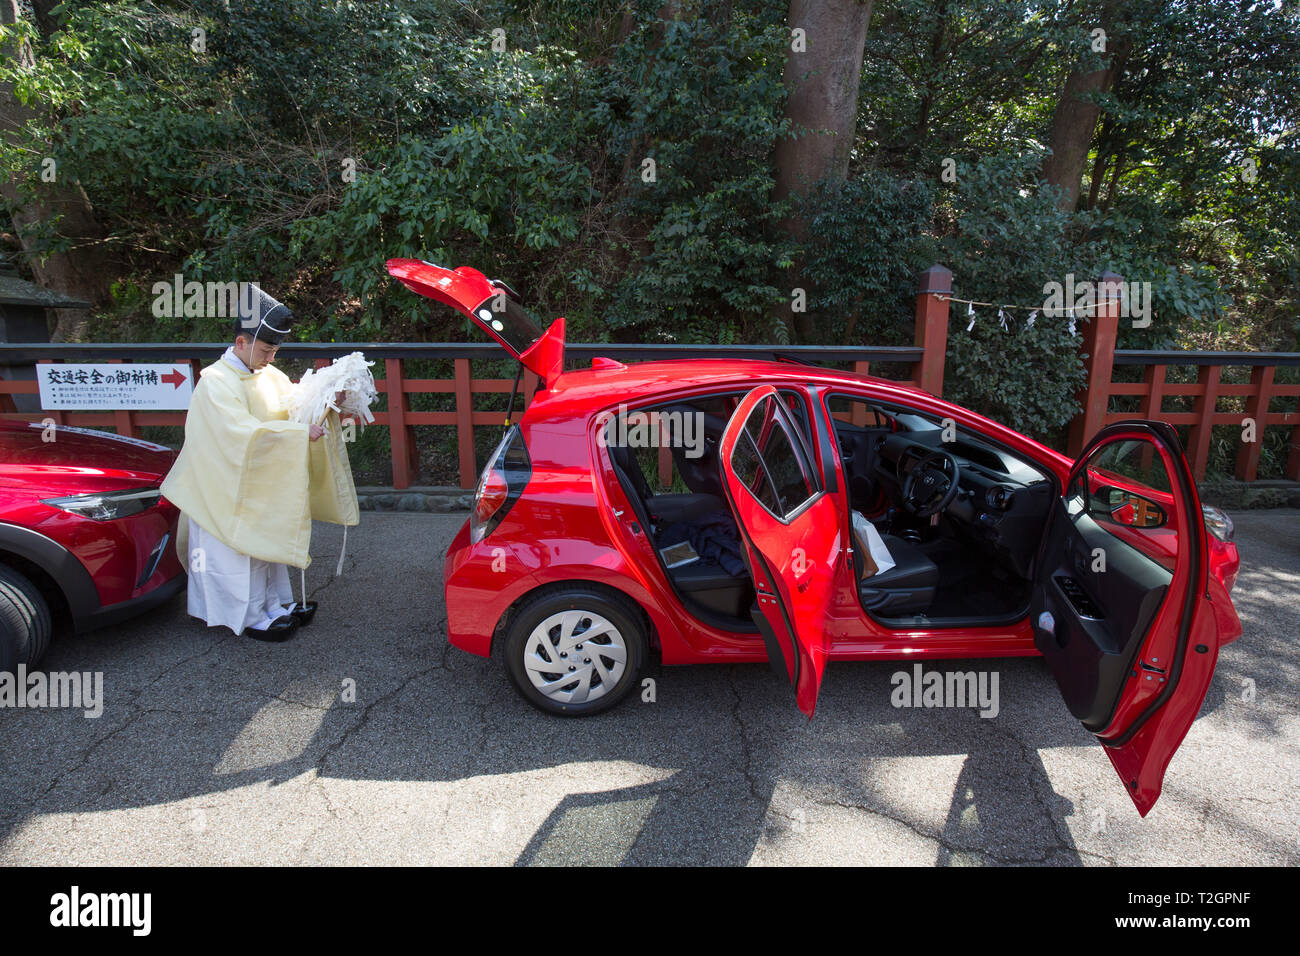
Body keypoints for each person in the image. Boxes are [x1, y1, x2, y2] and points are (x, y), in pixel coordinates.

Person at [160, 287, 359, 640]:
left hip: (256, 483)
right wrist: (296, 435)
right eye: (266, 350)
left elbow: (296, 403)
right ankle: (250, 616)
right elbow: (239, 433)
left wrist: (328, 399)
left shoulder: (268, 376)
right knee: (238, 555)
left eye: (274, 350)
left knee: (266, 547)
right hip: (222, 490)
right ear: (241, 342)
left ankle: (275, 605)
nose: (270, 357)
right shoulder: (215, 383)